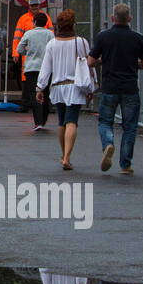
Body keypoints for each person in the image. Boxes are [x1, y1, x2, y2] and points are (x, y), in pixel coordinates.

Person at [89, 2, 143, 176]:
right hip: (130, 87)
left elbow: (90, 61)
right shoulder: (138, 38)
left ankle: (108, 144)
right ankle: (125, 164)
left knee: (105, 121)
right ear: (129, 19)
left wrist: (103, 61)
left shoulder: (103, 37)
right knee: (130, 126)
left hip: (109, 86)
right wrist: (133, 64)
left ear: (112, 18)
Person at [36, 10, 91, 170]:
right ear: (73, 24)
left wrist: (40, 87)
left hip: (57, 87)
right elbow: (87, 65)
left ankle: (63, 155)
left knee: (61, 121)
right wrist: (90, 87)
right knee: (72, 120)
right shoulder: (81, 42)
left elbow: (46, 67)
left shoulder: (52, 44)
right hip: (75, 86)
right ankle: (67, 156)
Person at [16, 12, 55, 131]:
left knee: (34, 94)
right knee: (45, 92)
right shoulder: (50, 34)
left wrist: (28, 53)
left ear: (35, 22)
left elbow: (19, 49)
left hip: (31, 68)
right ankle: (44, 118)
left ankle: (38, 122)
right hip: (46, 68)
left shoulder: (29, 34)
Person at [11, 1, 50, 110]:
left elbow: (52, 37)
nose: (34, 7)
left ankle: (44, 104)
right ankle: (26, 103)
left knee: (42, 78)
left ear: (39, 6)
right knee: (27, 80)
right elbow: (17, 36)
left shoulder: (45, 17)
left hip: (41, 55)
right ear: (29, 6)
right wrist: (16, 53)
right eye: (32, 5)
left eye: (36, 5)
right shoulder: (23, 19)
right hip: (30, 54)